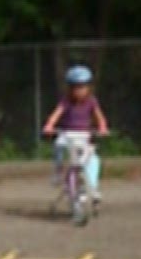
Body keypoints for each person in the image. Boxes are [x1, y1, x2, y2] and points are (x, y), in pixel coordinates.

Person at [40, 64, 109, 202]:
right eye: (75, 87)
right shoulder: (66, 102)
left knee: (93, 160)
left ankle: (92, 186)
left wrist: (102, 127)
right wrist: (49, 126)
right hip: (67, 135)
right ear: (70, 88)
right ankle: (58, 172)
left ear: (89, 87)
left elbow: (99, 117)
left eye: (82, 87)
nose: (79, 91)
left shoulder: (91, 102)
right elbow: (56, 114)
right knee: (58, 145)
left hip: (85, 136)